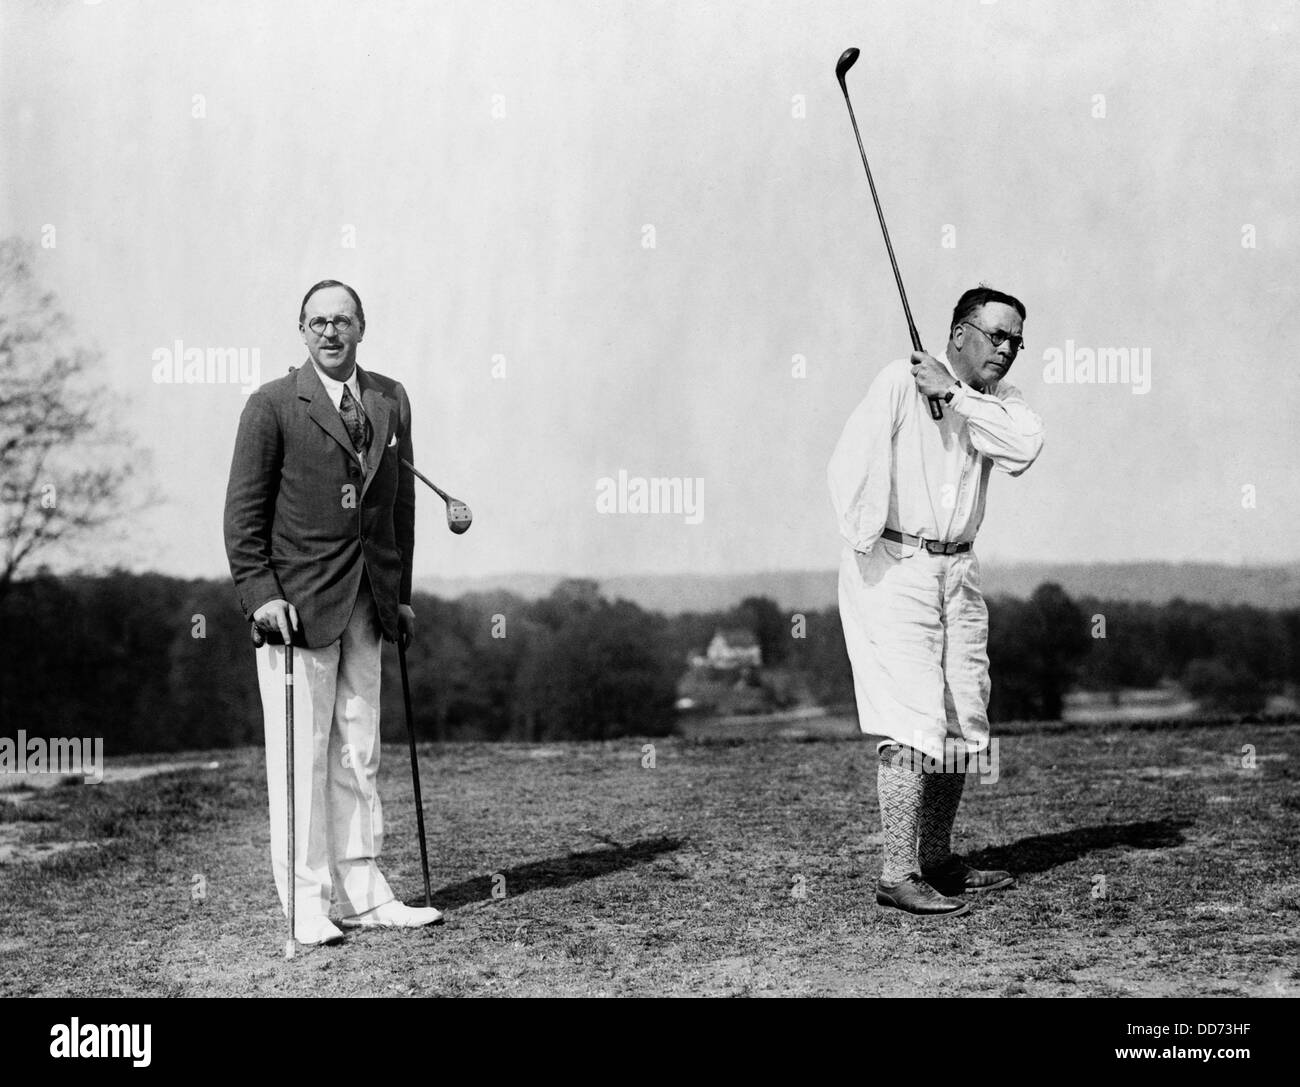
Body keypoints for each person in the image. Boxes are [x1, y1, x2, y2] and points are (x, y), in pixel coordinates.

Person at [223, 279, 442, 945]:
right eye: (317, 321)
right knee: (300, 756)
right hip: (296, 608)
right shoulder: (270, 406)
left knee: (359, 748)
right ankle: (305, 902)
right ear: (301, 329)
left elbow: (398, 503)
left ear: (361, 328)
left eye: (342, 320)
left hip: (368, 602)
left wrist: (400, 592)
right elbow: (242, 515)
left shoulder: (389, 399)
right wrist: (261, 595)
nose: (329, 331)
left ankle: (365, 891)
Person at [827, 286, 1044, 918]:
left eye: (1015, 341)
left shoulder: (999, 403)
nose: (1006, 350)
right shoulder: (900, 379)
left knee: (960, 717)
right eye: (995, 335)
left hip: (959, 567)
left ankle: (939, 860)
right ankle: (897, 873)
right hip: (897, 568)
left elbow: (1024, 450)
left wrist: (955, 396)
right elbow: (849, 467)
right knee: (911, 718)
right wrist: (874, 550)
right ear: (957, 333)